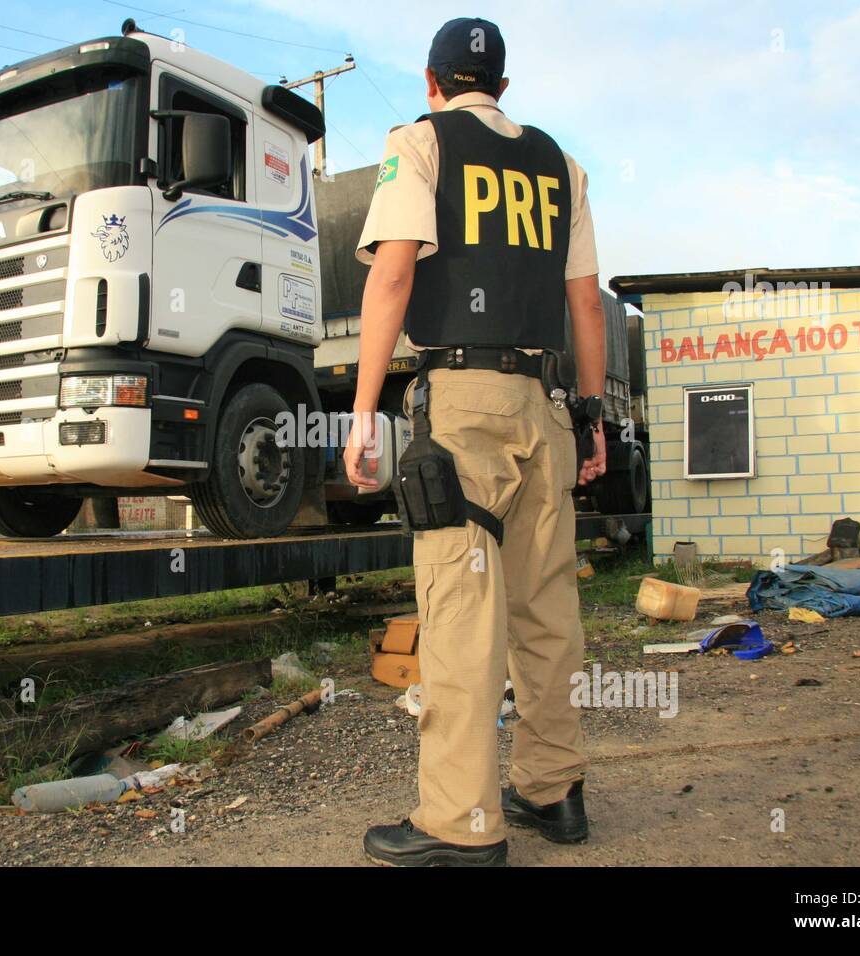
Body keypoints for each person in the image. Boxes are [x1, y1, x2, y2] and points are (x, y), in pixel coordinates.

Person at [343, 15, 608, 866]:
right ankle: (552, 793)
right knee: (546, 610)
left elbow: (393, 270)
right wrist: (594, 415)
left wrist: (359, 410)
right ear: (504, 90)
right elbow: (586, 302)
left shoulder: (419, 141)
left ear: (432, 82)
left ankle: (459, 824)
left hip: (465, 401)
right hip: (546, 403)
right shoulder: (561, 164)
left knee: (462, 610)